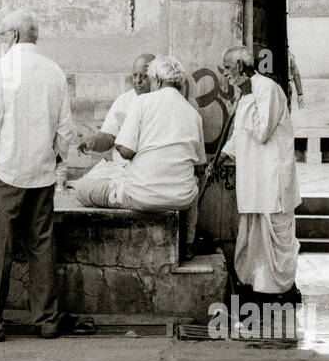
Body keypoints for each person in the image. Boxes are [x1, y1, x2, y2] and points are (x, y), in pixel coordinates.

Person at [0, 9, 78, 342]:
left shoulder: (1, 70)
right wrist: (54, 158)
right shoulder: (54, 71)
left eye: (3, 36)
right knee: (41, 247)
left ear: (13, 36)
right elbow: (65, 127)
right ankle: (46, 320)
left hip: (3, 171)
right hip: (40, 174)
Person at [74, 55, 205, 215]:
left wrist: (122, 137)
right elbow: (199, 166)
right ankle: (188, 240)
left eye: (147, 77)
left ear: (157, 79)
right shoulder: (193, 113)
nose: (141, 81)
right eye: (135, 76)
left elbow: (127, 152)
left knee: (81, 188)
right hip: (182, 197)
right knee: (193, 186)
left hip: (143, 195)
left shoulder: (143, 101)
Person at [217, 45, 301, 295]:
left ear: (241, 67)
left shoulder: (267, 90)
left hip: (272, 181)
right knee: (253, 240)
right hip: (254, 182)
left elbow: (262, 131)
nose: (226, 75)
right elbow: (239, 135)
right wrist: (221, 157)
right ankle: (257, 288)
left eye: (229, 69)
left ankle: (278, 291)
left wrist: (249, 94)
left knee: (276, 240)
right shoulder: (245, 95)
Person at [82, 52, 155, 163]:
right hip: (121, 169)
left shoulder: (161, 102)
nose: (138, 81)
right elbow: (109, 136)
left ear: (155, 79)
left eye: (144, 76)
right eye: (135, 75)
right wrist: (93, 142)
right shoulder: (124, 100)